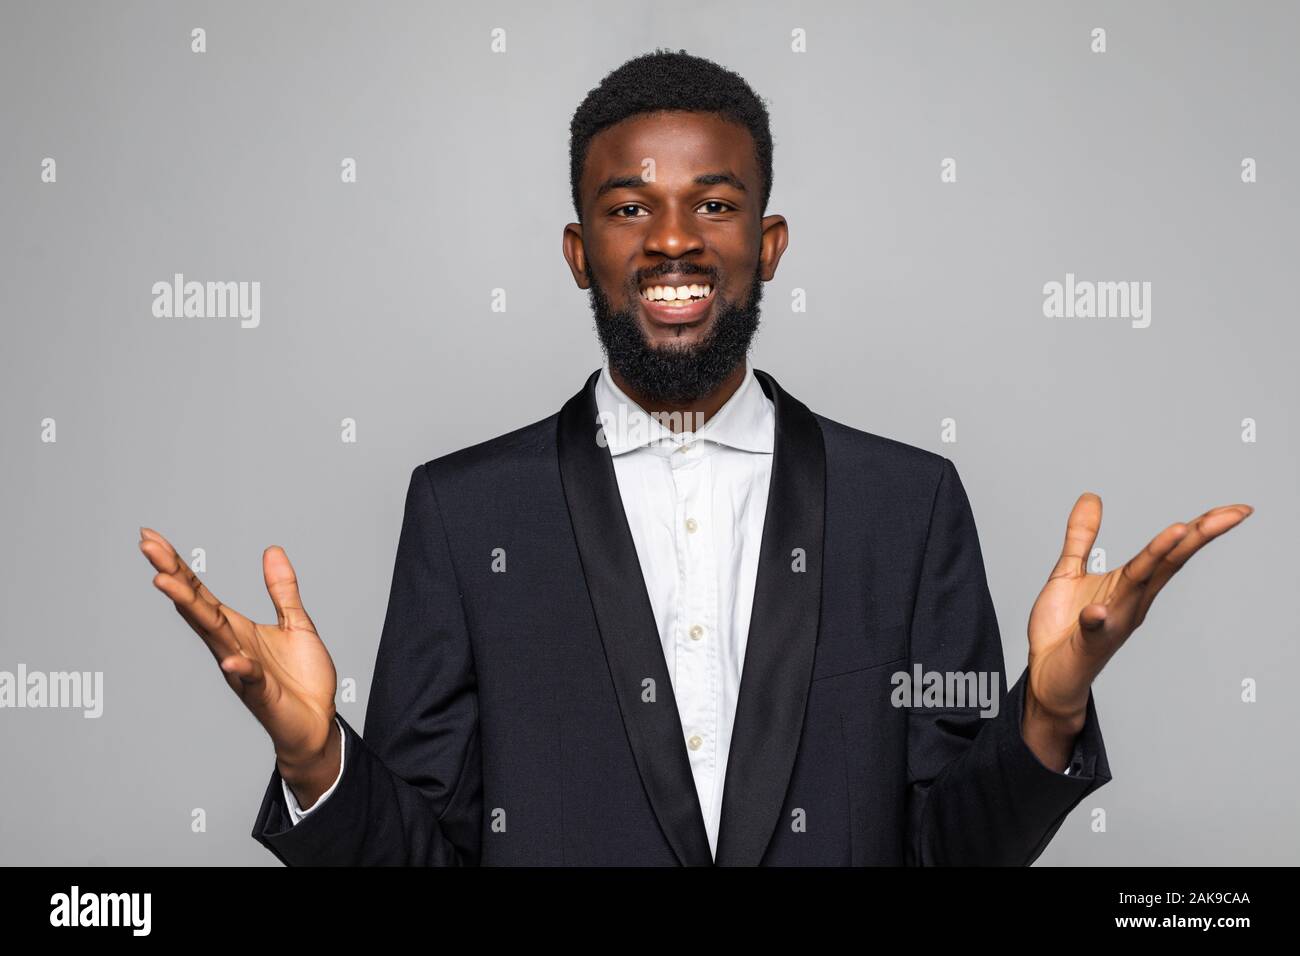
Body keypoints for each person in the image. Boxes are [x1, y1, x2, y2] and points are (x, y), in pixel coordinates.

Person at [137, 49, 1252, 866]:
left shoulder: (905, 505)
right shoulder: (463, 510)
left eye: (713, 204)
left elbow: (946, 853)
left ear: (766, 244)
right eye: (630, 208)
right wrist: (320, 763)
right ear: (581, 253)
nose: (673, 237)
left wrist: (1043, 716)